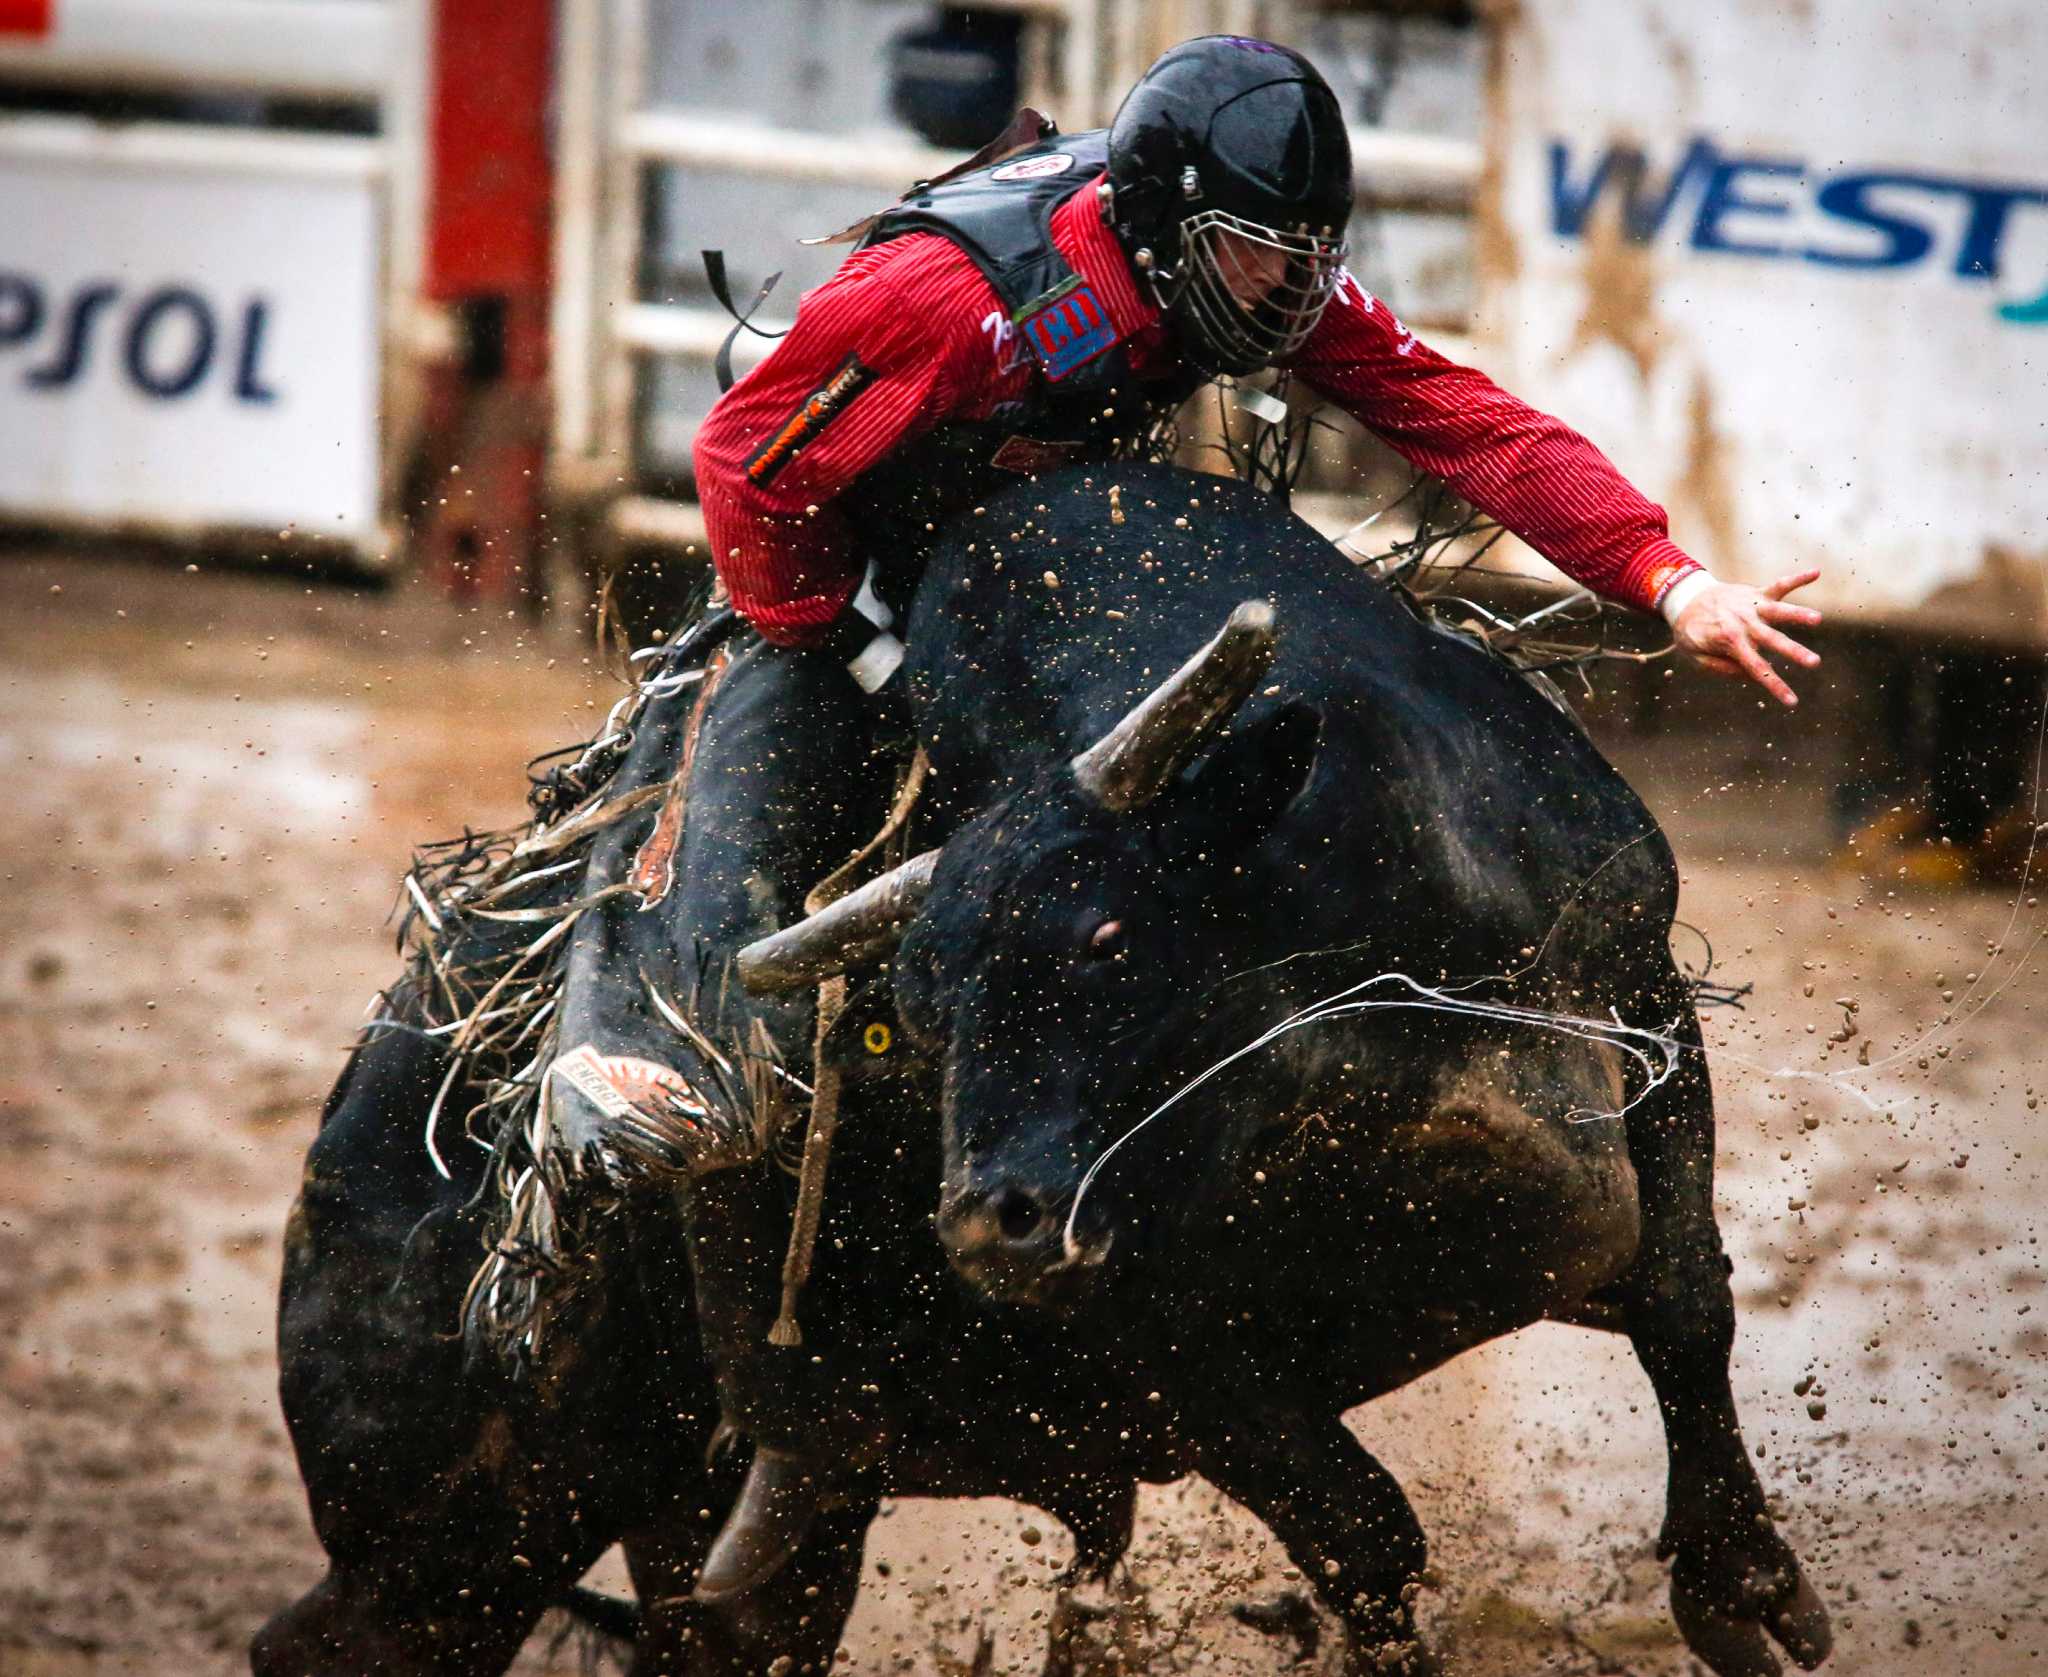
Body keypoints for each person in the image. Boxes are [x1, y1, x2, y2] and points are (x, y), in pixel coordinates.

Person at [561, 35, 1824, 1601]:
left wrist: (1664, 573)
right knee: (740, 900)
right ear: (1163, 230)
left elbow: (1454, 413)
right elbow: (745, 460)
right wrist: (856, 643)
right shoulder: (950, 303)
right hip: (848, 581)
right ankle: (655, 1108)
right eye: (1257, 258)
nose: (1291, 296)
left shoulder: (1241, 261)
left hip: (1058, 567)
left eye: (1315, 260)